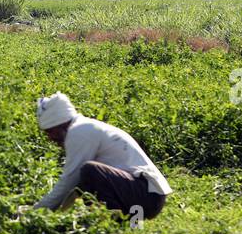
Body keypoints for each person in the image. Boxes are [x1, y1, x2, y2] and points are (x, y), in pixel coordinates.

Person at [29, 92, 172, 219]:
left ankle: (114, 221)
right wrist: (52, 214)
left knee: (89, 170)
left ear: (59, 124)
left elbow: (68, 180)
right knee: (86, 176)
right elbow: (74, 188)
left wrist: (36, 212)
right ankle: (109, 220)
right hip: (147, 195)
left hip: (147, 196)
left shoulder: (79, 131)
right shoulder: (83, 127)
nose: (50, 138)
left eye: (50, 131)